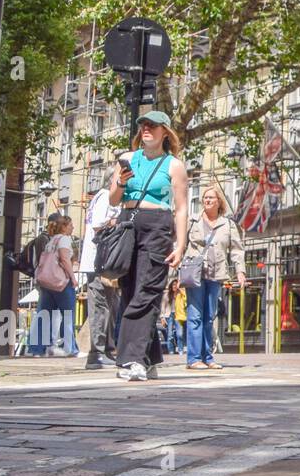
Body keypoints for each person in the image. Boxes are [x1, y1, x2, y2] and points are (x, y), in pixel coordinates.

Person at [110, 111, 189, 382]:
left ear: (164, 132)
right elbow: (112, 199)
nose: (146, 129)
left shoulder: (174, 165)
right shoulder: (127, 158)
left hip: (157, 226)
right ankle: (149, 357)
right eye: (143, 125)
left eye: (152, 126)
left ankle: (131, 360)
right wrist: (121, 181)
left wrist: (181, 244)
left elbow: (181, 208)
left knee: (147, 291)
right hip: (127, 225)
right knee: (131, 293)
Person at [183, 184, 247, 371]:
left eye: (211, 197)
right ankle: (193, 359)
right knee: (195, 316)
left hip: (216, 274)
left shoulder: (227, 224)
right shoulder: (192, 221)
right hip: (195, 273)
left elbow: (236, 249)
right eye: (205, 198)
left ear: (219, 201)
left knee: (209, 317)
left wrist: (240, 271)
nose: (207, 200)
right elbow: (179, 243)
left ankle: (208, 357)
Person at [78, 187, 120, 369]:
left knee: (109, 306)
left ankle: (106, 350)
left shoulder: (103, 197)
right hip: (99, 261)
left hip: (103, 261)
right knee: (101, 306)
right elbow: (98, 225)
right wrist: (118, 221)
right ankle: (97, 353)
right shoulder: (105, 197)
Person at [29, 213, 79, 357]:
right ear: (64, 227)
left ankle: (36, 349)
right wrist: (73, 278)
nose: (73, 227)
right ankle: (70, 348)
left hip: (46, 283)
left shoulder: (51, 241)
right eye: (70, 225)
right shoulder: (64, 240)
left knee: (43, 315)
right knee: (69, 315)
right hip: (61, 283)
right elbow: (64, 259)